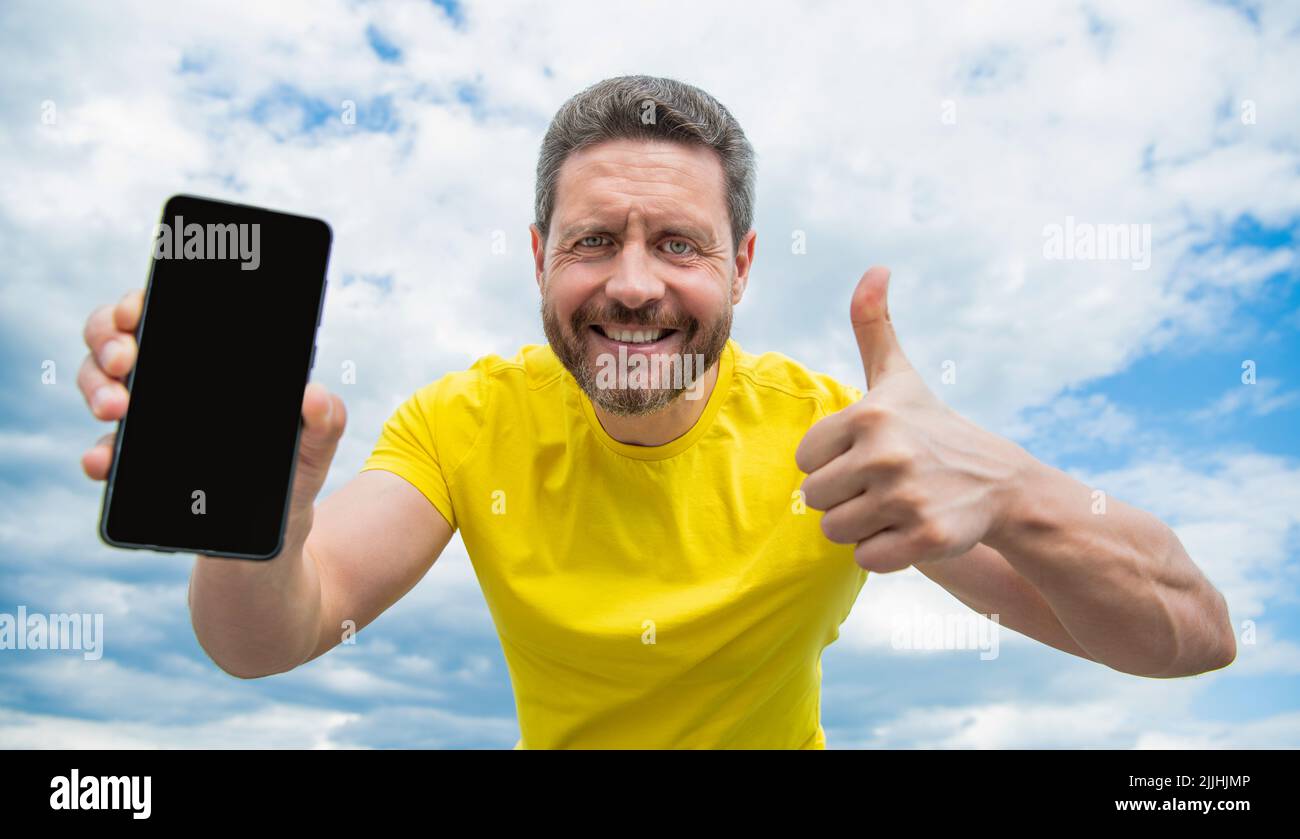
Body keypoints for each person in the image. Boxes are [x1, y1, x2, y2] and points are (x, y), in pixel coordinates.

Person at [78, 75, 1236, 749]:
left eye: (677, 243)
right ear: (541, 257)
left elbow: (1186, 637)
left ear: (739, 264)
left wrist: (1018, 489)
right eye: (593, 241)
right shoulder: (463, 421)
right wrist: (260, 514)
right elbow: (266, 638)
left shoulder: (840, 438)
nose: (633, 283)